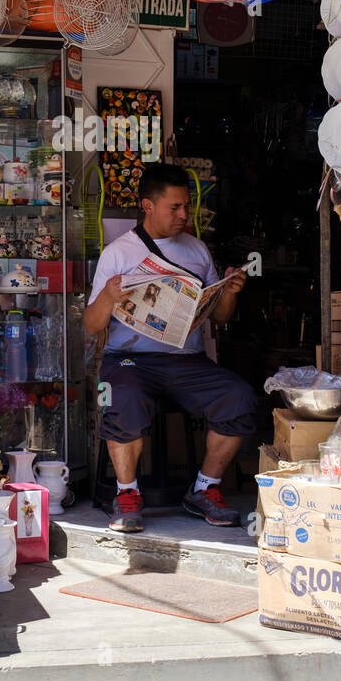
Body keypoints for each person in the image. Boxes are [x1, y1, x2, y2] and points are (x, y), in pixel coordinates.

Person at [84, 162, 256, 532]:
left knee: (238, 396)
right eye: (174, 207)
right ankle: (127, 494)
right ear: (148, 206)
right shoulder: (119, 253)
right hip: (128, 361)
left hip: (187, 362)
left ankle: (205, 489)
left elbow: (219, 318)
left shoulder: (197, 250)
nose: (183, 215)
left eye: (186, 206)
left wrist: (228, 292)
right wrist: (110, 297)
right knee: (119, 398)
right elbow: (91, 324)